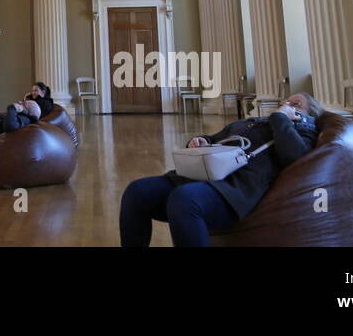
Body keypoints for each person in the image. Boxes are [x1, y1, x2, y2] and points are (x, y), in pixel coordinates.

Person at [119, 93, 324, 247]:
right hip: (201, 173)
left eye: (295, 105)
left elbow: (294, 156)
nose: (286, 105)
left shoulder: (301, 130)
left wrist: (282, 118)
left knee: (184, 199)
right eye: (285, 102)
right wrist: (200, 140)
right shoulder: (252, 122)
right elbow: (216, 138)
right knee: (137, 191)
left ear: (308, 115)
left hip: (234, 187)